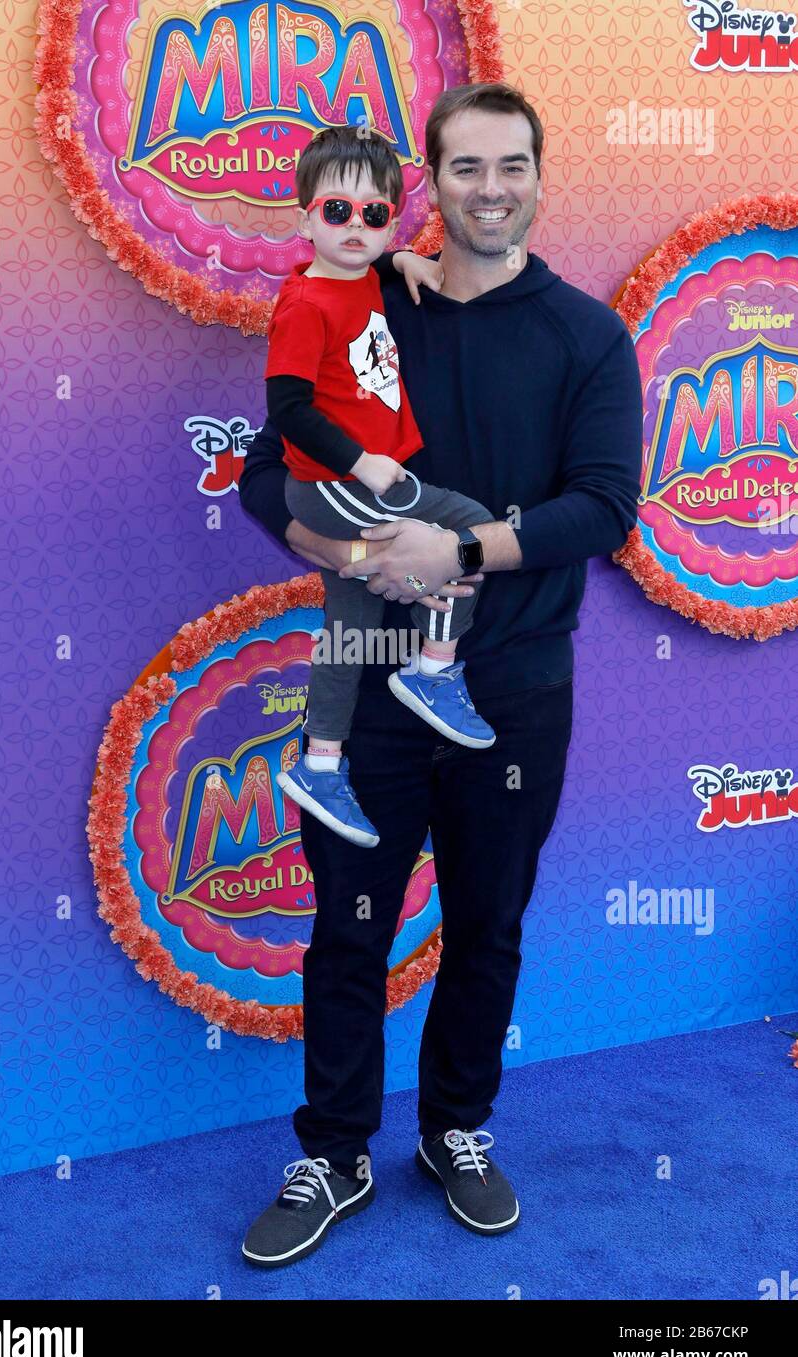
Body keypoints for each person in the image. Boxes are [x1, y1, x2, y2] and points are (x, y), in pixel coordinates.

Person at [238, 82, 643, 1269]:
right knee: (347, 928)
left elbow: (602, 508)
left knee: (485, 924)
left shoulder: (585, 335)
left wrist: (457, 553)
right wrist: (336, 548)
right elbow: (267, 467)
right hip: (368, 680)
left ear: (539, 175)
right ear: (429, 181)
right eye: (464, 167)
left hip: (511, 688)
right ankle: (335, 1151)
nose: (489, 188)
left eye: (510, 165)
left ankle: (453, 1128)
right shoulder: (368, 301)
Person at [265, 123, 499, 852]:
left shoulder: (363, 273)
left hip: (352, 483)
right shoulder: (306, 305)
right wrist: (361, 462)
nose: (355, 227)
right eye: (337, 211)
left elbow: (376, 258)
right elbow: (288, 408)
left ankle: (320, 763)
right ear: (305, 218)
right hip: (337, 484)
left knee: (350, 627)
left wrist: (405, 261)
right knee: (466, 527)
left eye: (374, 214)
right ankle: (433, 669)